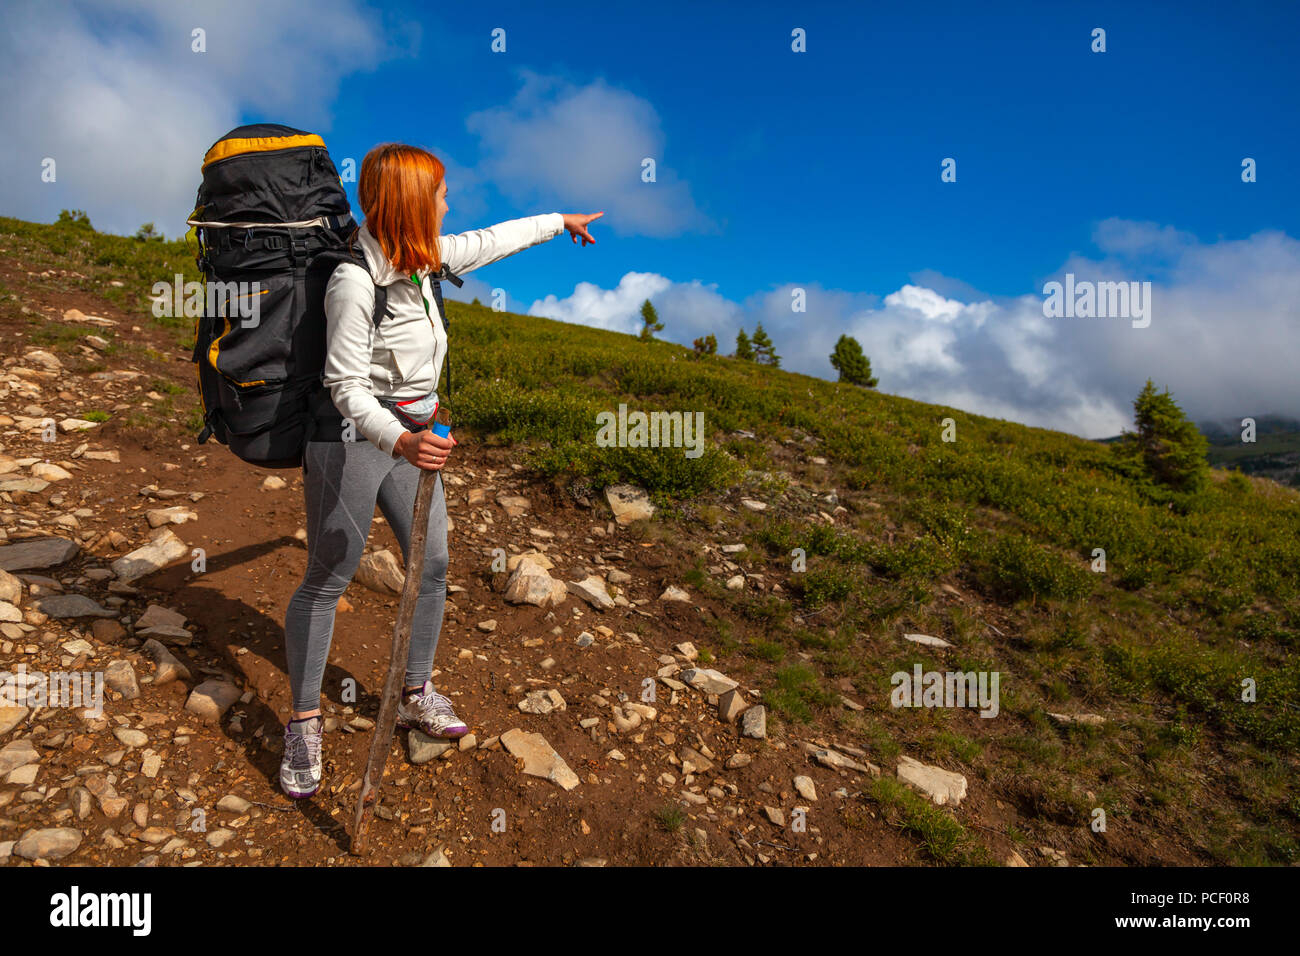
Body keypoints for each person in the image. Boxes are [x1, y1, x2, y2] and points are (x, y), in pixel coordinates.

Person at [279, 141, 602, 799]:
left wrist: (559, 221)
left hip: (416, 437)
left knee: (430, 565)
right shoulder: (353, 280)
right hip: (354, 438)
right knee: (330, 573)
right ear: (411, 202)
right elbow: (344, 385)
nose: (450, 202)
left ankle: (415, 691)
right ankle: (304, 721)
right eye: (440, 194)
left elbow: (493, 239)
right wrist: (400, 442)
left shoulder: (427, 261)